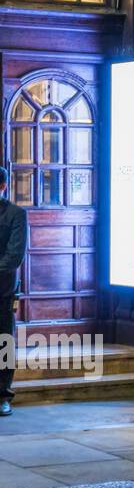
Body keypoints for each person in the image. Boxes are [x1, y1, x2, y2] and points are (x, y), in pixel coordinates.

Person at [0, 168, 27, 417]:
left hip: (3, 289)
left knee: (3, 342)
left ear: (3, 187)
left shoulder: (15, 214)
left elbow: (14, 255)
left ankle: (3, 395)